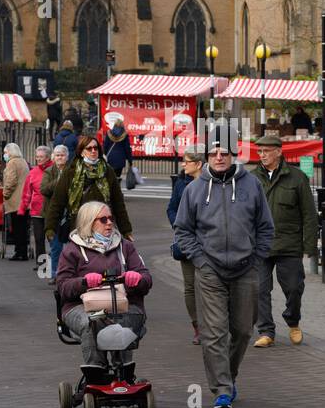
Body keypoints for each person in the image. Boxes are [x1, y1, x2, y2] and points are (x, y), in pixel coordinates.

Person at [174, 138, 274, 408]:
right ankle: (222, 389)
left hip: (246, 268)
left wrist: (257, 257)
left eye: (224, 153)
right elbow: (183, 229)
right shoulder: (194, 189)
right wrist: (200, 260)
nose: (219, 157)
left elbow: (265, 226)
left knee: (242, 331)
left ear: (233, 155)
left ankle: (228, 376)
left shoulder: (251, 185)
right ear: (207, 157)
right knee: (214, 333)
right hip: (210, 270)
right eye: (214, 153)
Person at [55, 201, 152, 369]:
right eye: (103, 219)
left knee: (123, 320)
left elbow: (146, 279)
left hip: (123, 304)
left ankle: (123, 370)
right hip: (81, 306)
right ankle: (96, 371)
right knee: (93, 322)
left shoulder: (125, 247)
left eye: (111, 218)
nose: (109, 223)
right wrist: (83, 282)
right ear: (89, 222)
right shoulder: (72, 250)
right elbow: (62, 287)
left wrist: (136, 279)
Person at [250, 134, 319, 348]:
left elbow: (309, 214)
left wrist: (310, 246)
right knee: (259, 289)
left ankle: (293, 321)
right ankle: (266, 331)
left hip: (289, 244)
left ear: (279, 152)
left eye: (266, 151)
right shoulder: (251, 179)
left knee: (294, 288)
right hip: (260, 246)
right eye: (259, 151)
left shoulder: (297, 178)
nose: (262, 155)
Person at [45, 136, 133, 249]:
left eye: (96, 148)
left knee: (101, 262)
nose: (93, 151)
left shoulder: (107, 171)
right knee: (82, 262)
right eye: (89, 148)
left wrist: (126, 230)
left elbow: (118, 203)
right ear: (81, 152)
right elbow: (57, 202)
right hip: (78, 227)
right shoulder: (71, 172)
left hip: (103, 226)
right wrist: (50, 228)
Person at [166, 147, 204, 345]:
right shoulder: (181, 184)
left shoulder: (211, 183)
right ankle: (198, 326)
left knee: (210, 285)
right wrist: (179, 224)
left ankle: (214, 324)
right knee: (190, 286)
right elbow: (171, 208)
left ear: (198, 164)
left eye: (186, 161)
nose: (183, 164)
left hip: (208, 243)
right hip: (186, 241)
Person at [41, 144, 71, 279]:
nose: (60, 157)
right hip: (53, 215)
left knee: (71, 247)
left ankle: (70, 273)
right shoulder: (49, 172)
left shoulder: (72, 171)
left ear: (67, 157)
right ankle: (55, 274)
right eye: (57, 155)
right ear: (53, 157)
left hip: (69, 214)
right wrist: (58, 181)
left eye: (62, 155)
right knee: (56, 247)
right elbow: (44, 190)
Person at [21, 145, 52, 271]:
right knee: (39, 238)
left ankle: (56, 263)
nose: (38, 159)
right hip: (36, 210)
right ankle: (42, 264)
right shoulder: (33, 172)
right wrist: (22, 208)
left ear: (48, 157)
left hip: (51, 210)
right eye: (37, 157)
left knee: (52, 239)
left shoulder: (54, 170)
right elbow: (26, 192)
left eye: (41, 157)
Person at [1, 143, 31, 261]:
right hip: (24, 200)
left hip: (15, 200)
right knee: (23, 228)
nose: (4, 155)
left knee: (17, 228)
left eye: (5, 152)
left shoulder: (12, 163)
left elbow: (11, 180)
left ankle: (19, 252)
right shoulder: (23, 161)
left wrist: (5, 193)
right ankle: (22, 251)